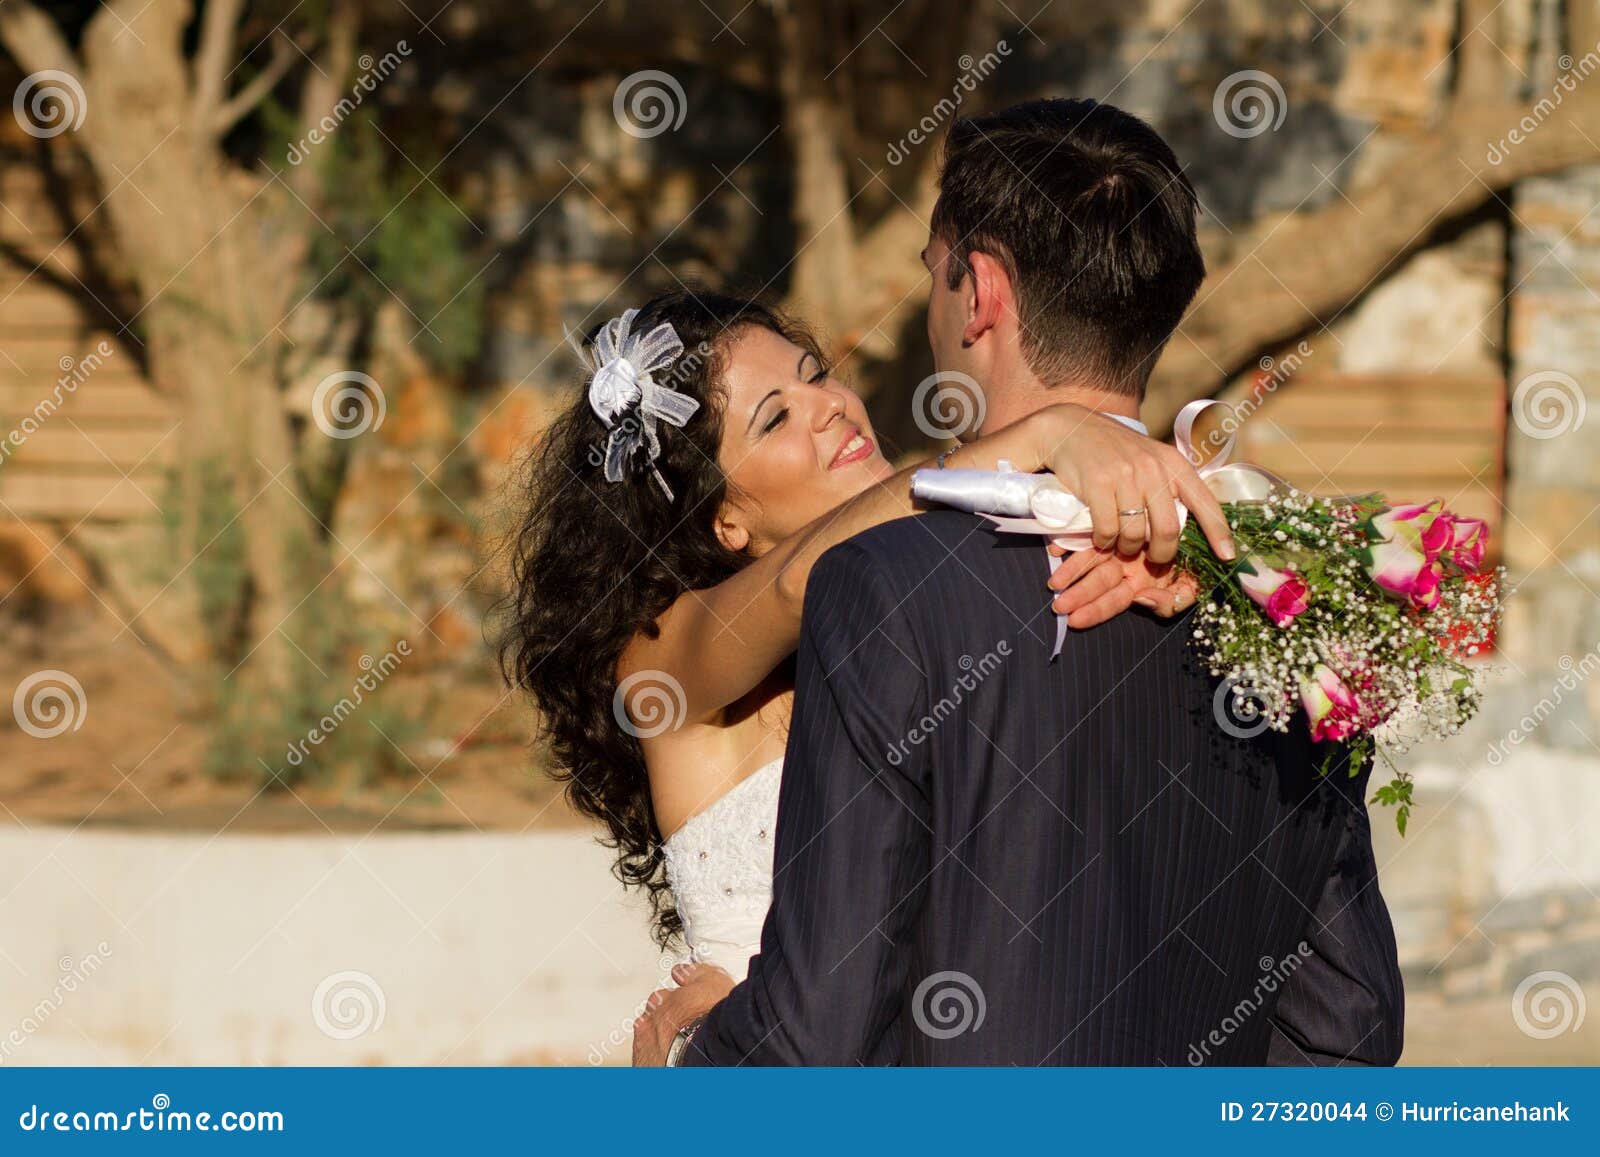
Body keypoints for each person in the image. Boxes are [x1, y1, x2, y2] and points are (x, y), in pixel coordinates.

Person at [640, 98, 1403, 1066]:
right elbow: (1348, 1015)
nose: (832, 405)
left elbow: (817, 1021)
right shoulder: (1285, 589)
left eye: (931, 272)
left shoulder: (887, 584)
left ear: (980, 291)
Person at [500, 287, 1230, 1020]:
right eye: (777, 416)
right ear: (725, 519)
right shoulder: (663, 664)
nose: (830, 405)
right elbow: (792, 582)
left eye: (815, 373)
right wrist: (1049, 433)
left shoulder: (922, 581)